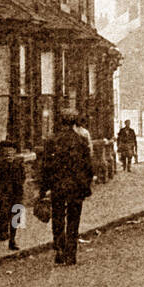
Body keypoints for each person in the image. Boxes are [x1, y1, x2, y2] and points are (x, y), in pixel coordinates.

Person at [39, 111, 93, 265]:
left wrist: (43, 189)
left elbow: (45, 167)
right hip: (76, 187)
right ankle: (71, 253)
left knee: (58, 218)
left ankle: (59, 249)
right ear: (75, 123)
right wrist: (87, 186)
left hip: (58, 186)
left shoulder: (51, 141)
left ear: (60, 122)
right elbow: (88, 166)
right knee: (73, 220)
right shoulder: (81, 141)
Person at [0, 140, 25, 251]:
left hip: (17, 194)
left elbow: (23, 177)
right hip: (6, 194)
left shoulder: (18, 164)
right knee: (2, 216)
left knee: (15, 218)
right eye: (7, 151)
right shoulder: (0, 165)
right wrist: (1, 189)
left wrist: (19, 186)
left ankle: (12, 241)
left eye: (12, 150)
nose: (9, 153)